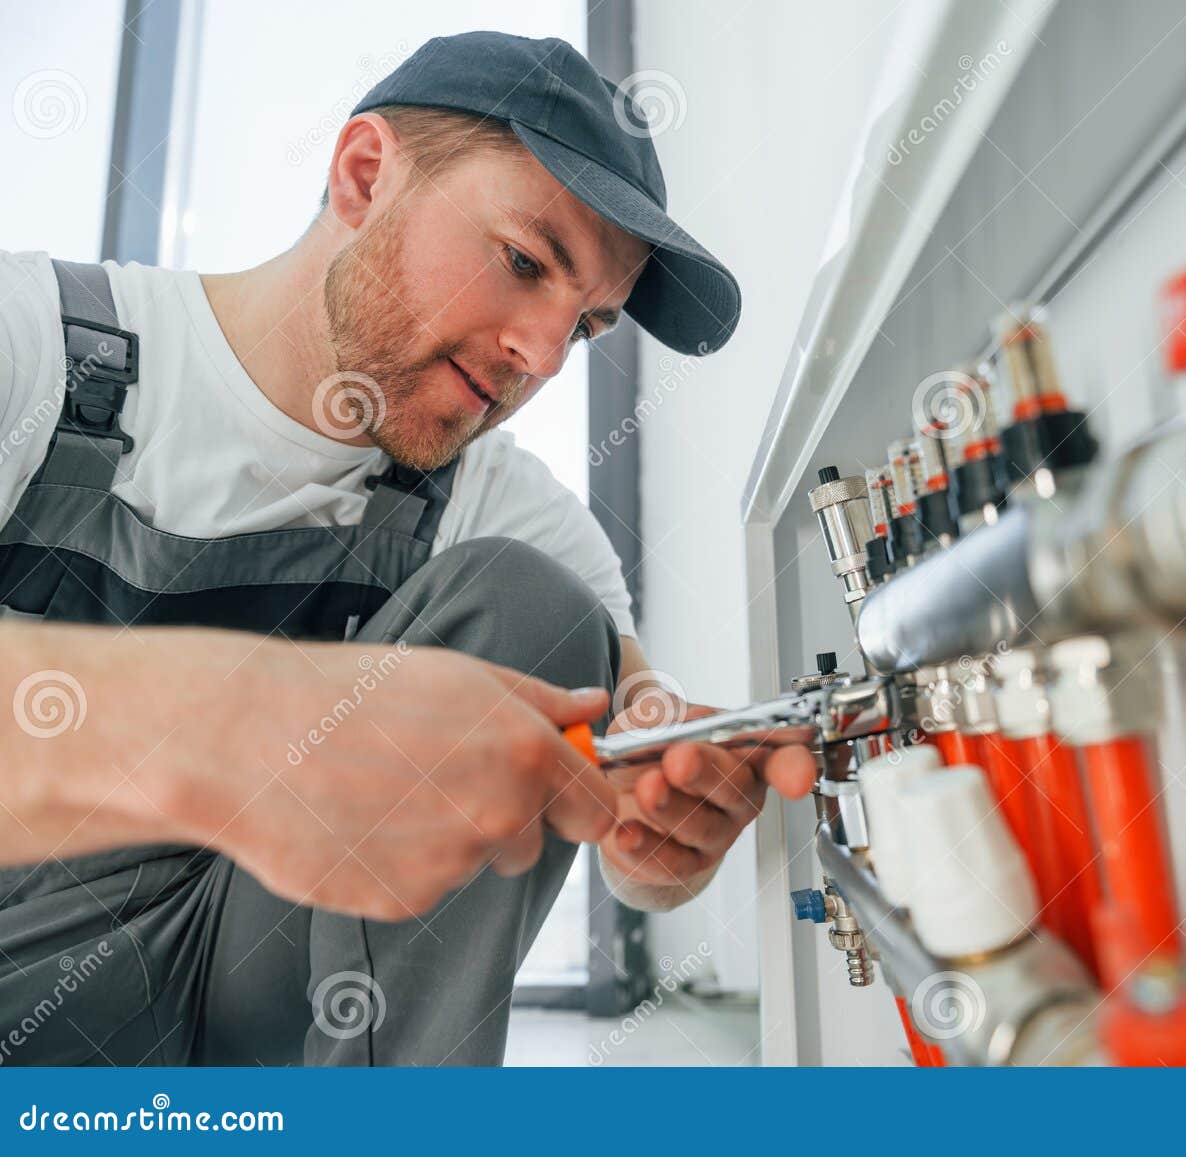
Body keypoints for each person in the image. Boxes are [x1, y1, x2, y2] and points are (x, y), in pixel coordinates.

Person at [0, 31, 815, 1066]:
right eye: (523, 262)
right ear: (364, 175)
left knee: (535, 609)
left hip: (239, 1021)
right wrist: (257, 718)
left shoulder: (502, 507)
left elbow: (634, 783)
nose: (544, 355)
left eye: (589, 326)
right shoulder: (30, 344)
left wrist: (665, 831)